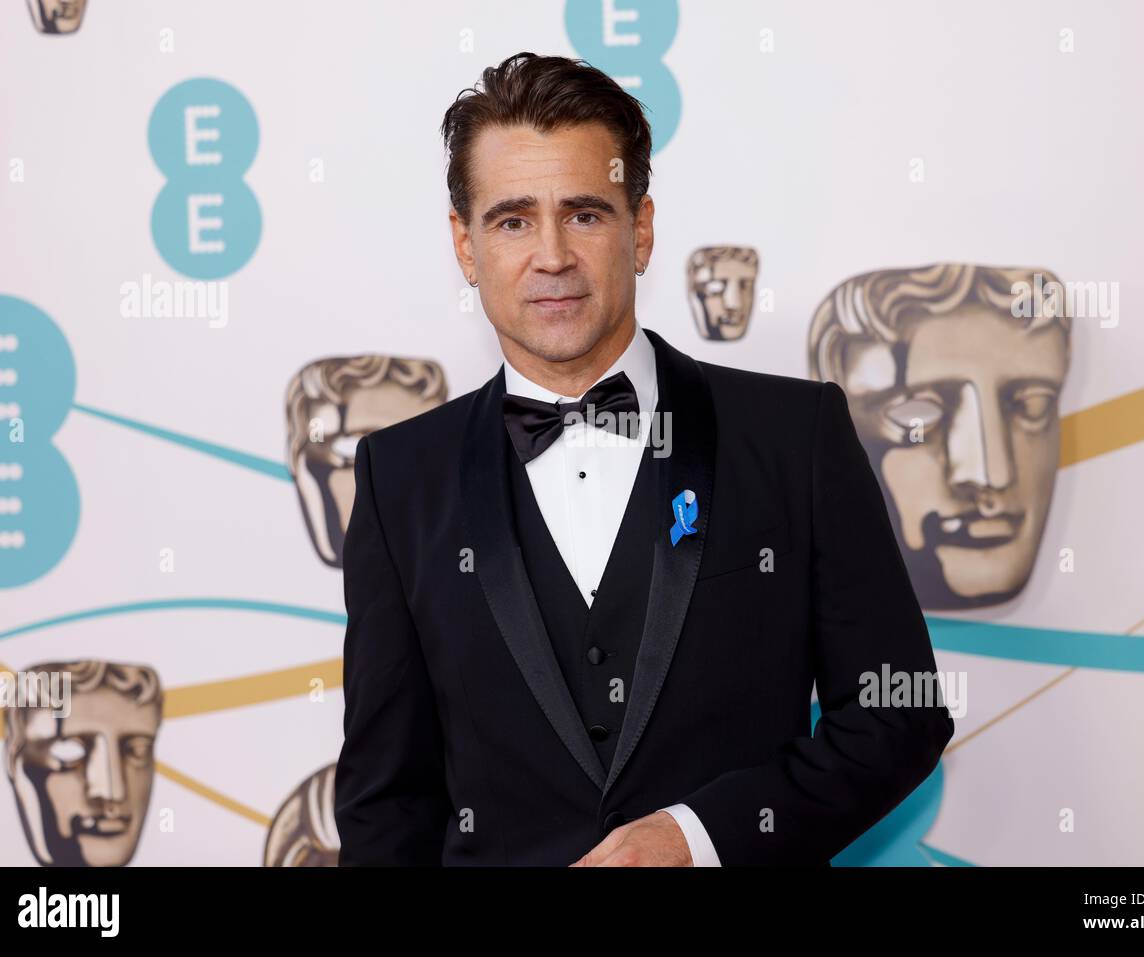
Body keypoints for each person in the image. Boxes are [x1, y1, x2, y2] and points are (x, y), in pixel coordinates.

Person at [333, 51, 953, 866]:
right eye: (513, 220)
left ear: (642, 228)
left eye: (585, 214)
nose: (551, 255)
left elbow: (896, 713)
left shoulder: (793, 436)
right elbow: (388, 807)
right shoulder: (397, 479)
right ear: (465, 244)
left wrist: (699, 838)